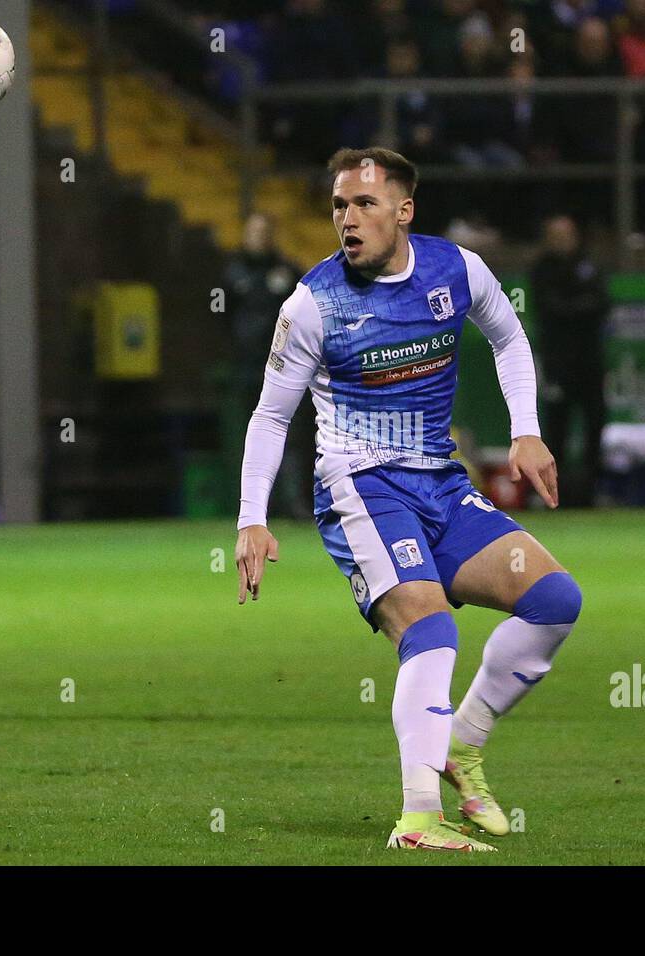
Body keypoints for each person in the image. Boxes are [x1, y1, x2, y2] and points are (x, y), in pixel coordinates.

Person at [233, 148, 580, 852]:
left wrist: (527, 432)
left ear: (404, 211)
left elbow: (510, 338)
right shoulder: (312, 303)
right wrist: (252, 517)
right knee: (430, 627)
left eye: (363, 204)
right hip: (359, 487)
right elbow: (271, 416)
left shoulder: (456, 270)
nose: (347, 219)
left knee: (555, 600)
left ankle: (460, 743)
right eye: (338, 205)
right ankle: (420, 819)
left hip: (440, 483)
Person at [219, 212, 310, 517]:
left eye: (263, 231)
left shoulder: (287, 272)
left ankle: (293, 502)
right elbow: (220, 317)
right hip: (248, 368)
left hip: (286, 367)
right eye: (252, 231)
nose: (258, 237)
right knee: (253, 435)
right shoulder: (233, 274)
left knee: (290, 434)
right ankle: (255, 505)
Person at [529, 215, 610, 506]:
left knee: (594, 425)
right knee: (556, 430)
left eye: (566, 234)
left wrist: (570, 308)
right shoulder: (542, 269)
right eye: (555, 235)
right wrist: (577, 308)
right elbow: (550, 308)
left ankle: (592, 491)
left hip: (589, 362)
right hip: (558, 364)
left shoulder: (589, 264)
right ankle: (552, 495)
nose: (561, 241)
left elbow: (600, 303)